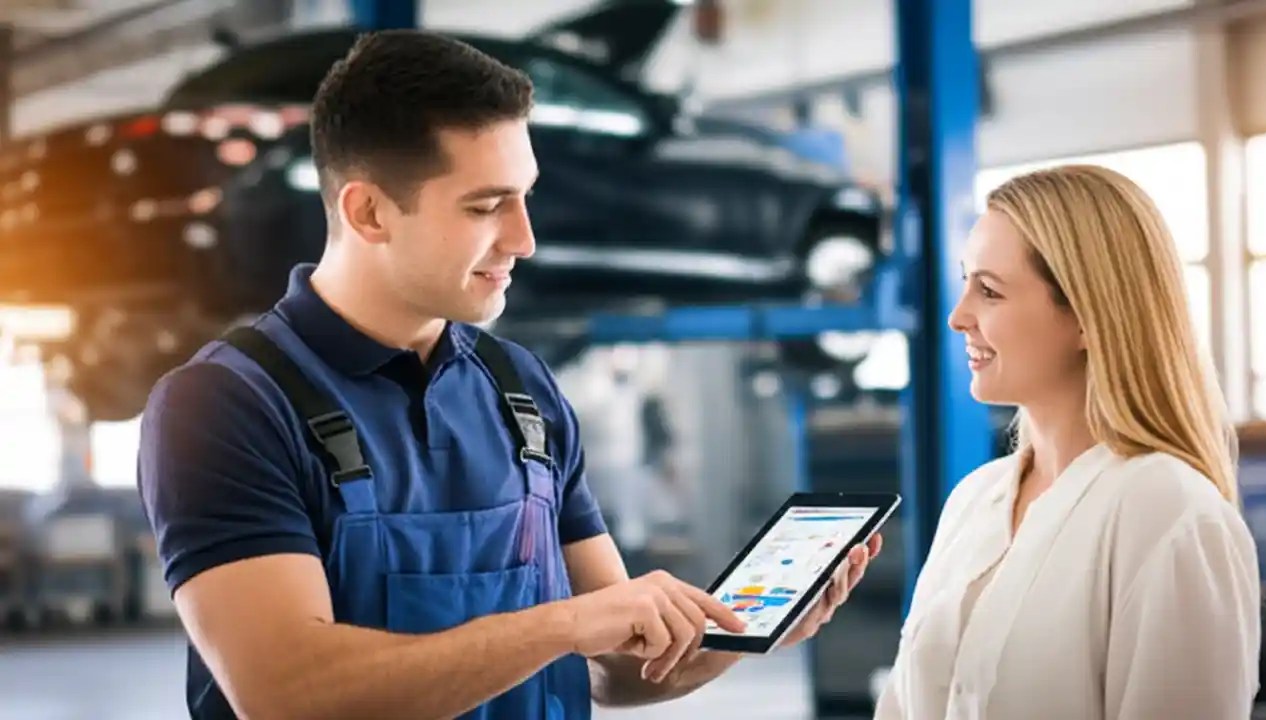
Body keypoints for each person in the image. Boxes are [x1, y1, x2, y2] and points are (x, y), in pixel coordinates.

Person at [137, 30, 883, 720]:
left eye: (525, 197)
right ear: (368, 213)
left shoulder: (520, 389)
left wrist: (741, 634)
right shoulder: (225, 406)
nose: (523, 240)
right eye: (486, 206)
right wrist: (560, 623)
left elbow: (612, 668)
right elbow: (290, 694)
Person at [873, 165, 1262, 720]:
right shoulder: (974, 500)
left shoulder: (1169, 513)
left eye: (989, 290)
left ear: (1085, 315)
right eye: (965, 284)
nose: (959, 317)